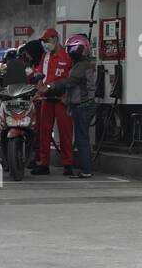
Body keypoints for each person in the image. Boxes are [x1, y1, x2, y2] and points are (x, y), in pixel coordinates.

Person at [32, 28, 75, 176]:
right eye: (43, 42)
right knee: (44, 132)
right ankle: (44, 164)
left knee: (65, 132)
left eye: (47, 41)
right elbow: (38, 73)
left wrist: (67, 95)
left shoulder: (67, 57)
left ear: (55, 39)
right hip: (46, 98)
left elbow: (71, 80)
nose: (45, 44)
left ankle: (68, 164)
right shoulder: (46, 56)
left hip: (62, 99)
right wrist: (37, 82)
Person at [52, 34, 96, 179]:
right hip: (84, 105)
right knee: (81, 138)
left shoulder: (82, 65)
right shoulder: (83, 64)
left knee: (81, 139)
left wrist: (52, 86)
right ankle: (86, 168)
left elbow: (70, 81)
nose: (70, 52)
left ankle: (86, 170)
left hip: (83, 106)